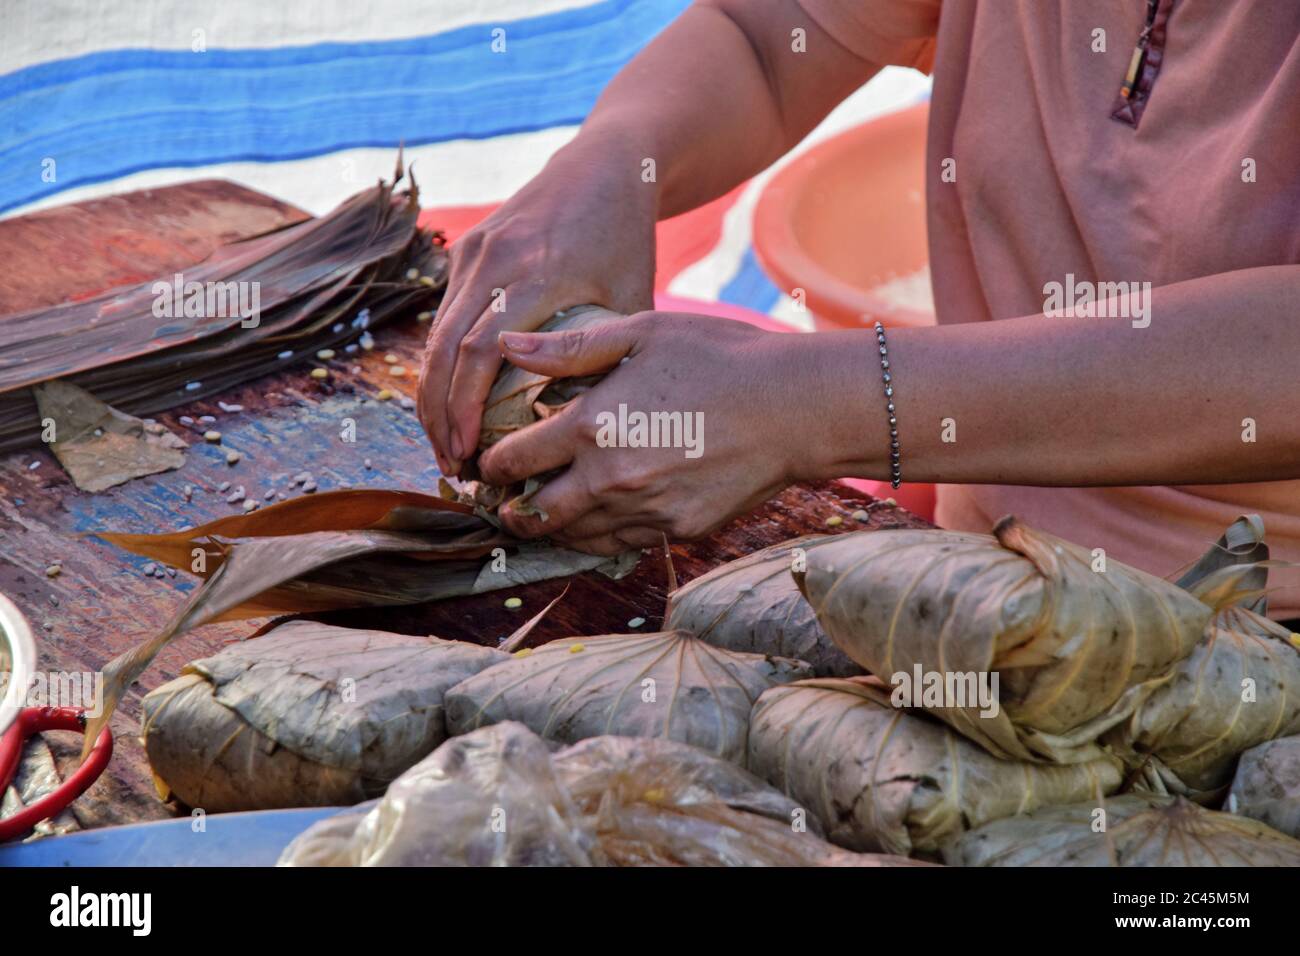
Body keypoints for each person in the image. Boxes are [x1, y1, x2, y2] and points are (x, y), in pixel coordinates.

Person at [417, 0, 1300, 621]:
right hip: (980, 588)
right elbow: (766, 37)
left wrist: (815, 401)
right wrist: (610, 163)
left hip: (1261, 638)